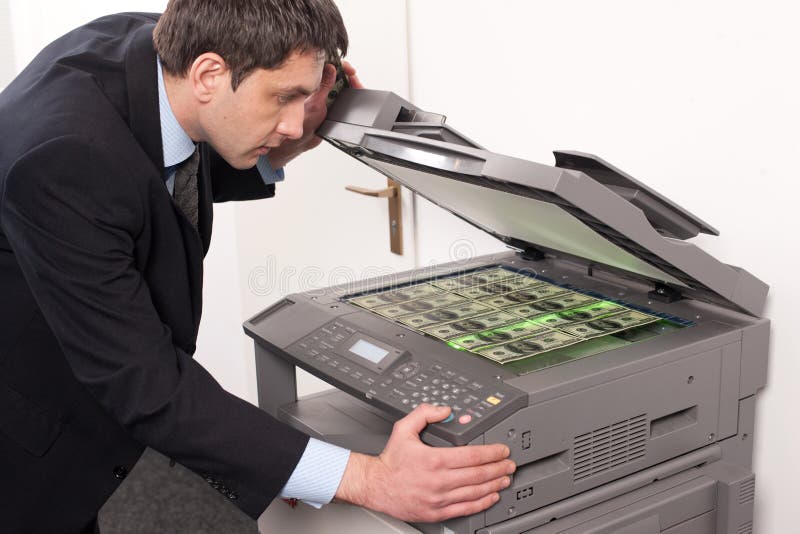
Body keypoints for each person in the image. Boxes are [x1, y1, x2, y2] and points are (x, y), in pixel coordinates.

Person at [0, 1, 515, 532]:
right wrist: (371, 479)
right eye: (283, 97)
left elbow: (171, 164)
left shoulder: (160, 53)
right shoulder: (65, 160)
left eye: (303, 96)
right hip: (24, 427)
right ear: (209, 74)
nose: (293, 123)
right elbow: (145, 384)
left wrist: (300, 133)